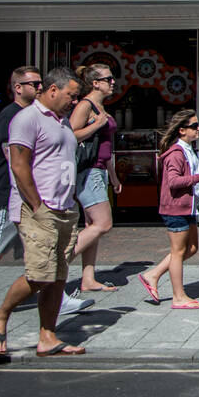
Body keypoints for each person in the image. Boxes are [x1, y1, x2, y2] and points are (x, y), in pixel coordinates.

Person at [0, 66, 94, 321]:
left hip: (45, 202)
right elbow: (17, 163)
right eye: (34, 84)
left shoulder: (52, 117)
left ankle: (56, 300)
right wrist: (37, 205)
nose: (39, 87)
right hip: (14, 195)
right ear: (18, 88)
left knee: (45, 256)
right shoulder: (14, 117)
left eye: (41, 82)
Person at [0, 68, 89, 357]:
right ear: (53, 90)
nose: (73, 101)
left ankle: (48, 337)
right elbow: (18, 165)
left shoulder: (62, 121)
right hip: (38, 210)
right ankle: (0, 315)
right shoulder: (27, 119)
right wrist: (38, 206)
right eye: (71, 95)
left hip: (65, 208)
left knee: (57, 277)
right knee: (40, 275)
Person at [139, 109, 199, 308]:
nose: (198, 129)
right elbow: (173, 182)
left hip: (188, 207)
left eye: (198, 125)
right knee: (178, 251)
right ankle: (178, 296)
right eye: (194, 126)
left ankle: (153, 275)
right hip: (175, 208)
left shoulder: (189, 150)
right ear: (182, 130)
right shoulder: (176, 153)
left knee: (191, 248)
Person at [69, 62, 121, 294]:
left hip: (99, 170)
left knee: (92, 225)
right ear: (95, 83)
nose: (112, 82)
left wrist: (113, 175)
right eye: (108, 79)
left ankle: (88, 279)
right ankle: (57, 263)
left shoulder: (100, 107)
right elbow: (69, 135)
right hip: (88, 171)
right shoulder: (85, 105)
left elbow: (105, 147)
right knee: (103, 223)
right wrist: (96, 126)